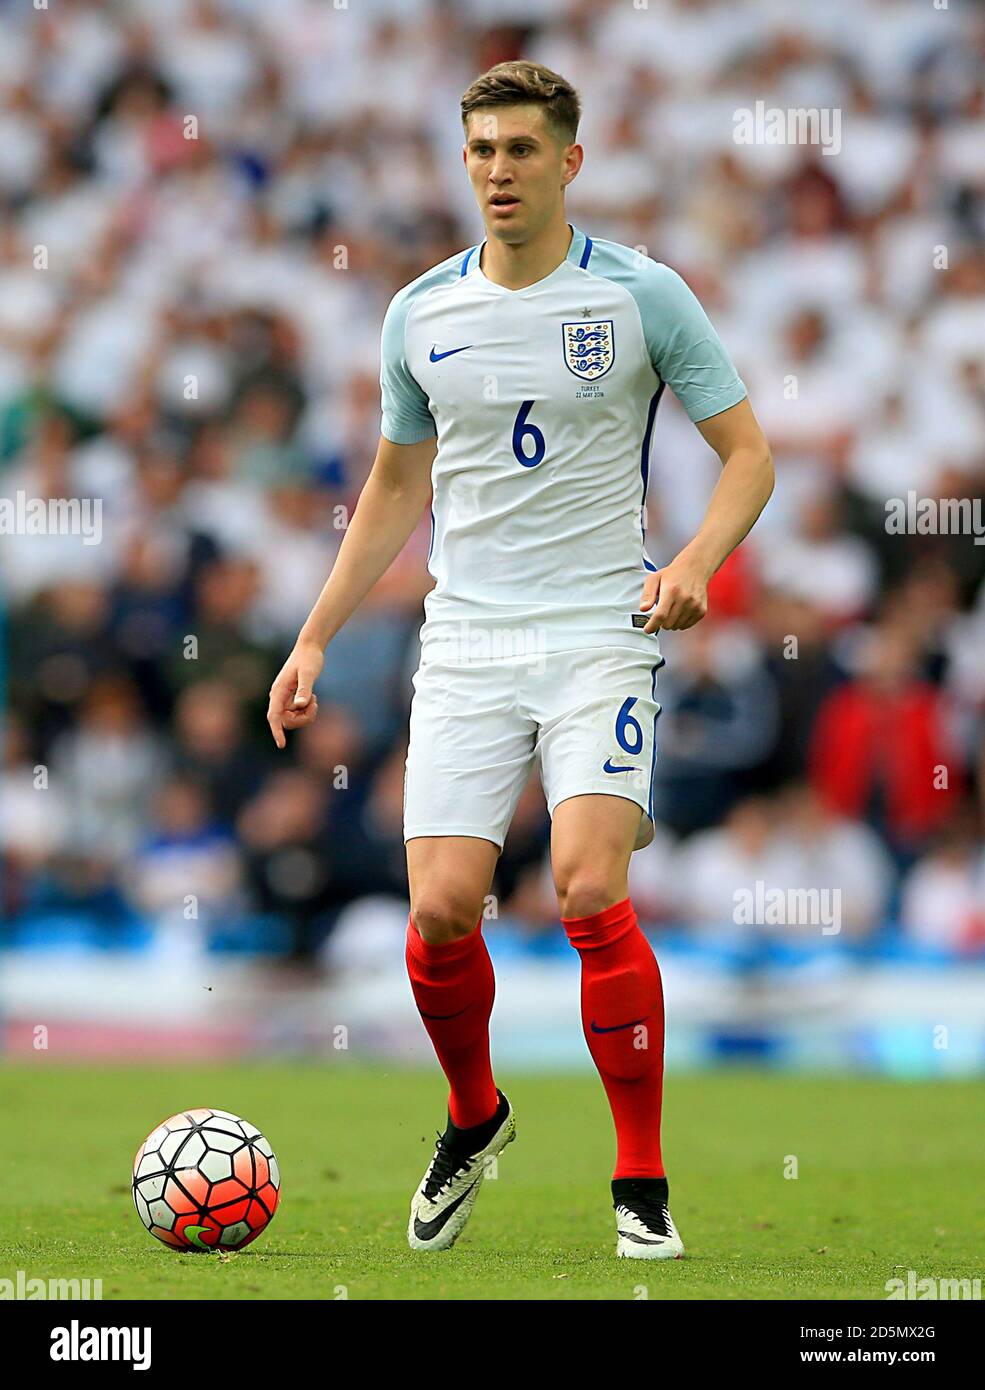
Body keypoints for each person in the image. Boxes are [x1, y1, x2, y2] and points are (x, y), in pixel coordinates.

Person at [267, 61, 773, 1260]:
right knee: (442, 910)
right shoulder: (418, 313)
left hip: (603, 626)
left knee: (589, 884)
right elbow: (396, 486)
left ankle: (639, 1179)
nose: (498, 170)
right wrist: (316, 633)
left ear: (569, 162)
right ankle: (473, 1114)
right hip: (467, 638)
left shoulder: (643, 297)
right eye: (481, 149)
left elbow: (747, 454)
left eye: (521, 150)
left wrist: (694, 560)